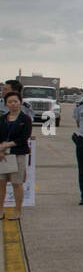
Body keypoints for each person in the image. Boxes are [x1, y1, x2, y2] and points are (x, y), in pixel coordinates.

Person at [0, 91, 33, 219]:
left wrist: (6, 145)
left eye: (15, 101)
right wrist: (1, 150)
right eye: (10, 102)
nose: (13, 104)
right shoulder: (2, 119)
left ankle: (17, 210)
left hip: (17, 154)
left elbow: (24, 137)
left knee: (16, 183)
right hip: (2, 155)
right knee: (1, 183)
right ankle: (0, 210)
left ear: (20, 102)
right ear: (6, 104)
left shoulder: (25, 119)